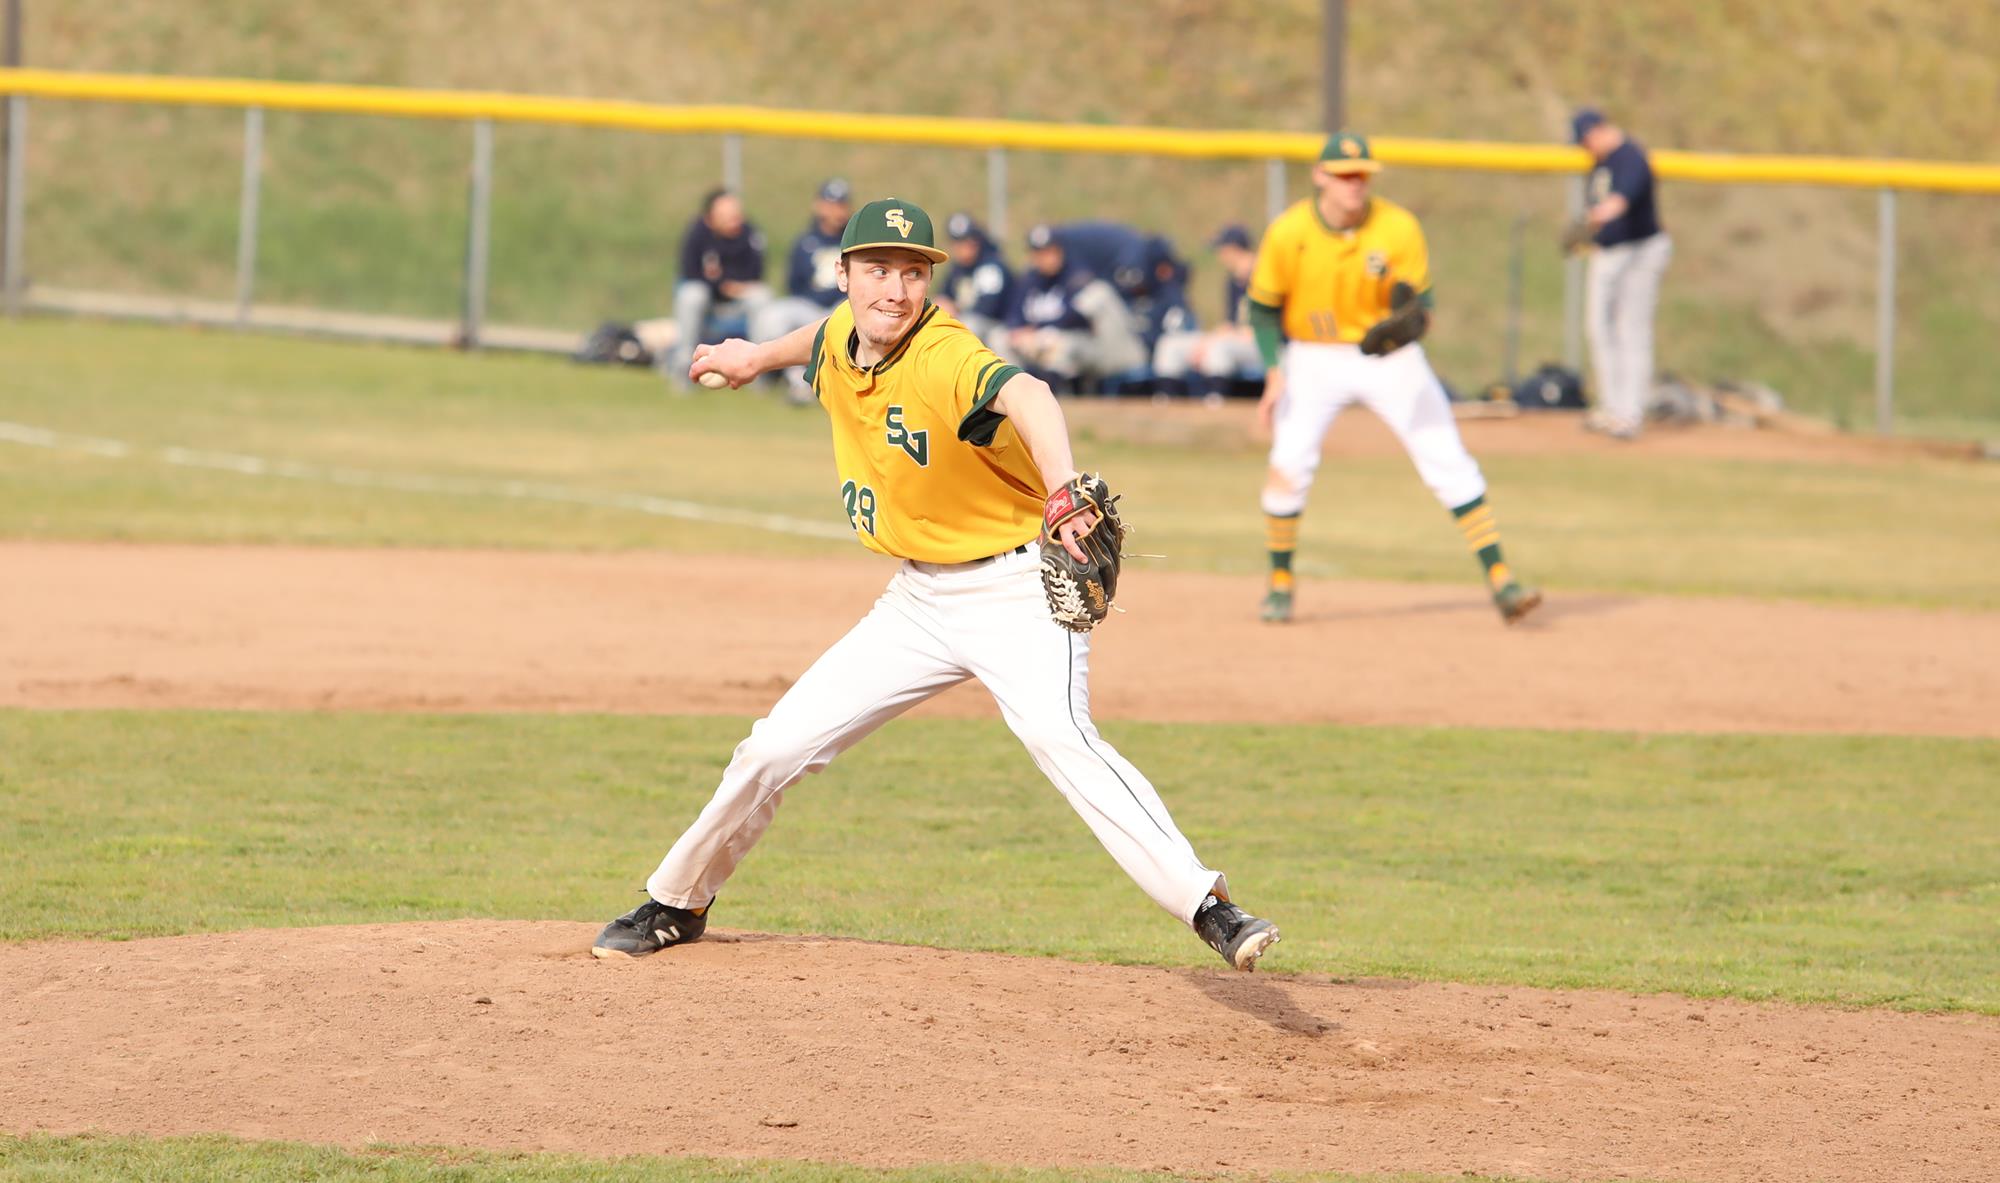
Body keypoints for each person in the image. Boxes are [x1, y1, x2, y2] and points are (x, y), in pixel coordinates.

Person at [591, 197, 1282, 973]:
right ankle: (679, 901)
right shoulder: (839, 334)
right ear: (843, 275)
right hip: (917, 601)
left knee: (1061, 737)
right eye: (878, 270)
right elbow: (815, 339)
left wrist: (1062, 490)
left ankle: (1209, 906)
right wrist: (752, 356)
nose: (894, 289)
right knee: (773, 747)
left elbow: (1030, 395)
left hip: (1015, 589)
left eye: (912, 273)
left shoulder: (944, 354)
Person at [1247, 133, 1541, 626]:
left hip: (1386, 355)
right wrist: (1274, 373)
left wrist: (1411, 321)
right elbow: (1261, 309)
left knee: (1445, 455)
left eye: (1361, 175)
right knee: (1289, 464)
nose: (1354, 185)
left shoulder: (1398, 227)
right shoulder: (1288, 231)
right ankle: (1280, 585)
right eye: (1343, 175)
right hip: (1313, 356)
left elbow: (1420, 307)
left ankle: (1502, 580)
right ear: (1320, 177)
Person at [1565, 108, 1671, 440]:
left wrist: (1591, 220)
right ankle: (1612, 407)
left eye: (1585, 141)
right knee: (1598, 328)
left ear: (1597, 131)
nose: (1585, 149)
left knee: (1631, 329)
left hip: (1640, 252)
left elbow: (1618, 203)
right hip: (1609, 254)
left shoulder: (1630, 157)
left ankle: (1630, 412)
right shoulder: (1601, 163)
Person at [750, 178, 856, 403]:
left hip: (842, 308)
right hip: (808, 306)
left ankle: (835, 382)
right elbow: (793, 285)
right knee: (774, 315)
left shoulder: (854, 242)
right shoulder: (805, 241)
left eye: (841, 204)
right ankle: (787, 378)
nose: (836, 210)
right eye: (831, 203)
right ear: (819, 205)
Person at [1006, 223, 1146, 391]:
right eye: (1038, 253)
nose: (1044, 258)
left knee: (1059, 344)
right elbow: (1013, 314)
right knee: (1002, 339)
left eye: (1049, 251)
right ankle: (1011, 394)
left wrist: (1040, 330)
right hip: (1034, 339)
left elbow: (1076, 317)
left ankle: (1054, 395)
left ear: (1060, 251)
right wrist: (1018, 331)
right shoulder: (1029, 281)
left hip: (1079, 342)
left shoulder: (1078, 277)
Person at [664, 188, 771, 383]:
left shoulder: (749, 233)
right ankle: (684, 367)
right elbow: (689, 272)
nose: (734, 220)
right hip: (709, 299)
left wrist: (729, 283)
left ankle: (759, 371)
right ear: (710, 218)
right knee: (691, 295)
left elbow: (756, 272)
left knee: (761, 296)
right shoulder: (697, 233)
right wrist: (719, 284)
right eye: (727, 216)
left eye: (736, 215)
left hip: (739, 299)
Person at [1152, 224, 1266, 402]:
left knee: (1219, 348)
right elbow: (1231, 323)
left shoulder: (1266, 276)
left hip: (1263, 344)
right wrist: (1206, 341)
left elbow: (1266, 328)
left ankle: (1215, 400)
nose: (1220, 256)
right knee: (1170, 343)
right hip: (1236, 338)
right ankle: (1166, 398)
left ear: (1232, 250)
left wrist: (1218, 340)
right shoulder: (1234, 281)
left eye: (1222, 250)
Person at [938, 211, 1017, 353]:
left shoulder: (991, 267)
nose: (961, 248)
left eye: (966, 242)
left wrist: (955, 310)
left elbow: (987, 309)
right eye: (956, 242)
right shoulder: (958, 268)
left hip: (1000, 325)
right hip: (970, 320)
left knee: (968, 325)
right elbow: (944, 296)